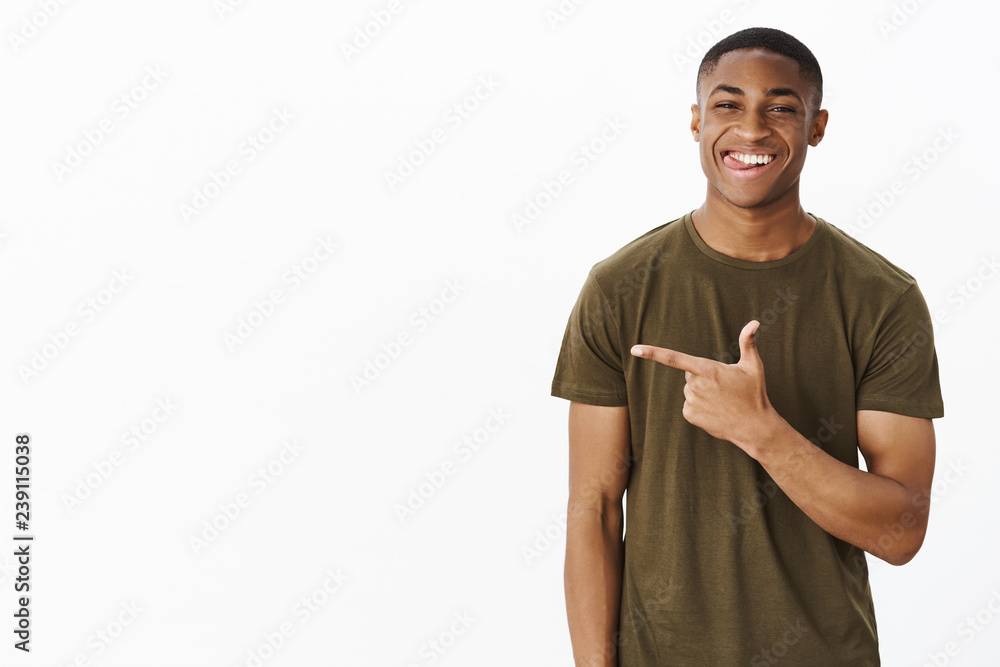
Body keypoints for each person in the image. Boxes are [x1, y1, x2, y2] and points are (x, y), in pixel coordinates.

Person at [550, 27, 944, 666]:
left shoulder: (882, 298)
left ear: (817, 127)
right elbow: (593, 510)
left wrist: (761, 431)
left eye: (780, 108)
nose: (752, 129)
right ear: (697, 121)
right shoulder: (620, 288)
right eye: (728, 104)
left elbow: (901, 533)